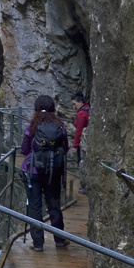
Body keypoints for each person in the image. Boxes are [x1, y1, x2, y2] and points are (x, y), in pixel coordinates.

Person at [20, 95, 69, 251]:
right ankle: (59, 240)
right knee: (54, 205)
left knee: (35, 207)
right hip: (53, 172)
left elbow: (24, 149)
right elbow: (65, 148)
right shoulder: (60, 127)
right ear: (52, 109)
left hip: (33, 171)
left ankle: (38, 244)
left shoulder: (32, 127)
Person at [72, 92, 90, 193]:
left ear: (80, 102)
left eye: (75, 104)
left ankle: (84, 186)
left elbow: (79, 130)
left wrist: (75, 145)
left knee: (82, 163)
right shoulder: (87, 110)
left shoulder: (82, 114)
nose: (74, 107)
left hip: (83, 144)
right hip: (86, 142)